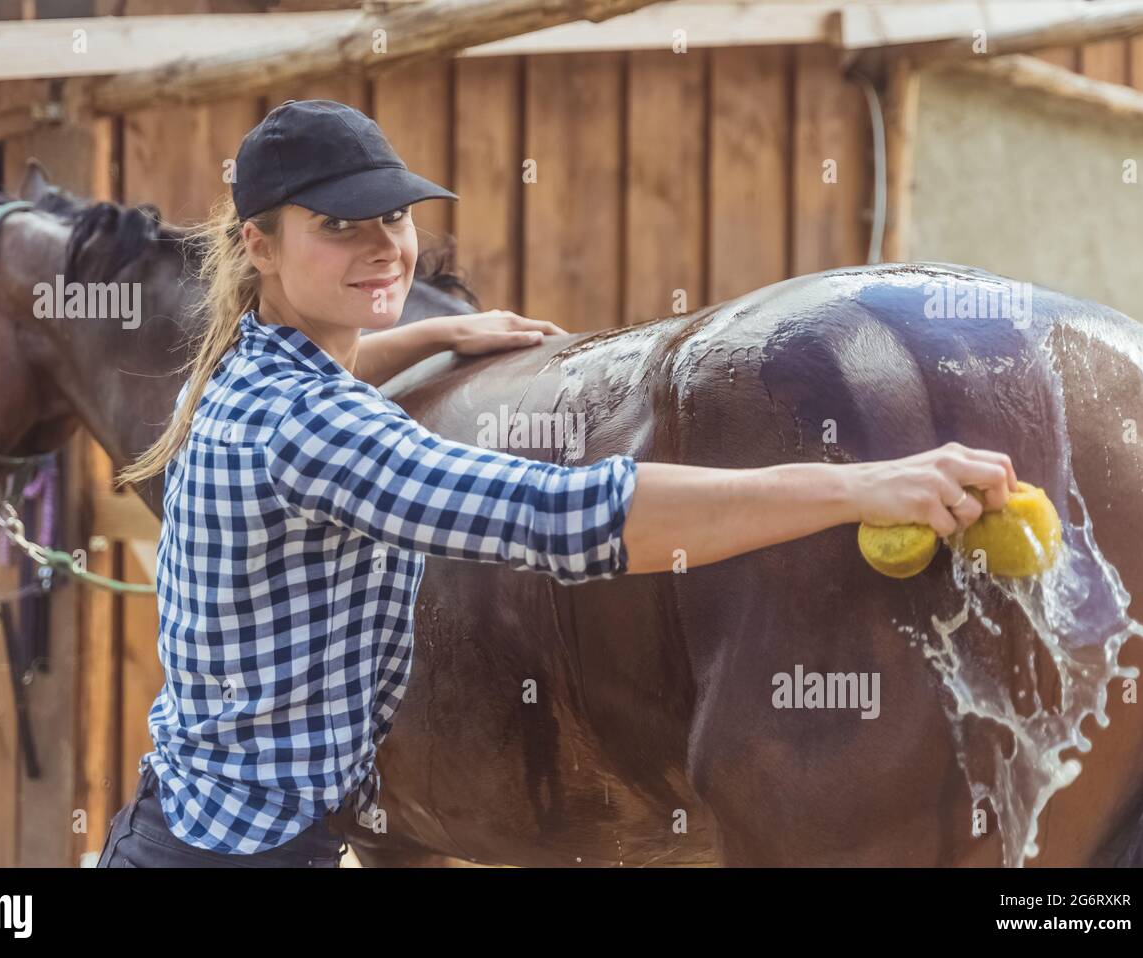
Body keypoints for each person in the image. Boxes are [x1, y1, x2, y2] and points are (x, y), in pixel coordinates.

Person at [95, 100, 1015, 868]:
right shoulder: (311, 427)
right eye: (338, 227)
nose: (382, 247)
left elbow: (332, 377)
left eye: (394, 218)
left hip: (193, 819)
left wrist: (433, 335)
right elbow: (559, 514)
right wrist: (861, 489)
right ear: (258, 244)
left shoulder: (237, 374)